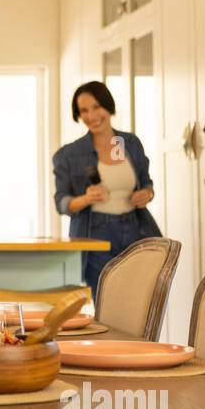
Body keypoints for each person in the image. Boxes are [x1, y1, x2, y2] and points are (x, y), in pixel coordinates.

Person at [52, 80, 161, 298]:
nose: (91, 116)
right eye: (84, 110)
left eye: (96, 107)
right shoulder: (70, 154)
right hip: (96, 235)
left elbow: (146, 182)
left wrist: (146, 193)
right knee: (107, 302)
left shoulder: (128, 144)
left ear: (107, 105)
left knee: (139, 302)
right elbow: (62, 203)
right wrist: (86, 198)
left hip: (136, 231)